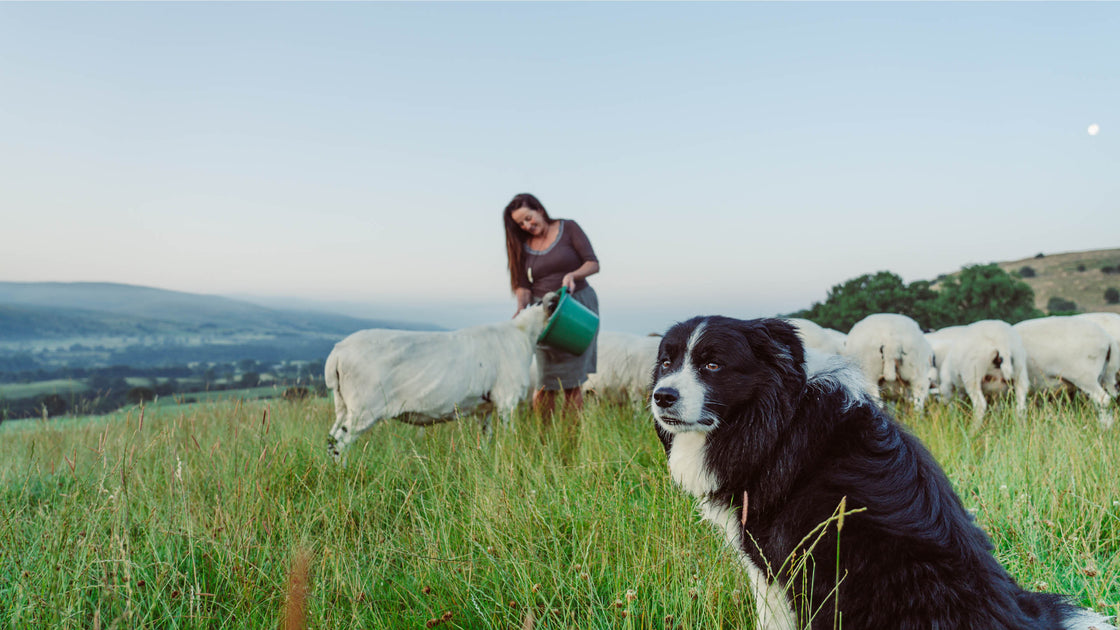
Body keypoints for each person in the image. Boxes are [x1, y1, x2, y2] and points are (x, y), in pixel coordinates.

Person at [503, 192, 600, 421]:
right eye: (521, 223)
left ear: (539, 209)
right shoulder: (521, 245)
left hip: (577, 309)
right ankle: (544, 439)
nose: (527, 225)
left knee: (573, 382)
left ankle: (570, 439)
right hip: (545, 315)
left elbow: (593, 263)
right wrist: (520, 308)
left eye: (529, 218)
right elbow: (522, 285)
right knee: (546, 381)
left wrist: (573, 275)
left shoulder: (569, 228)